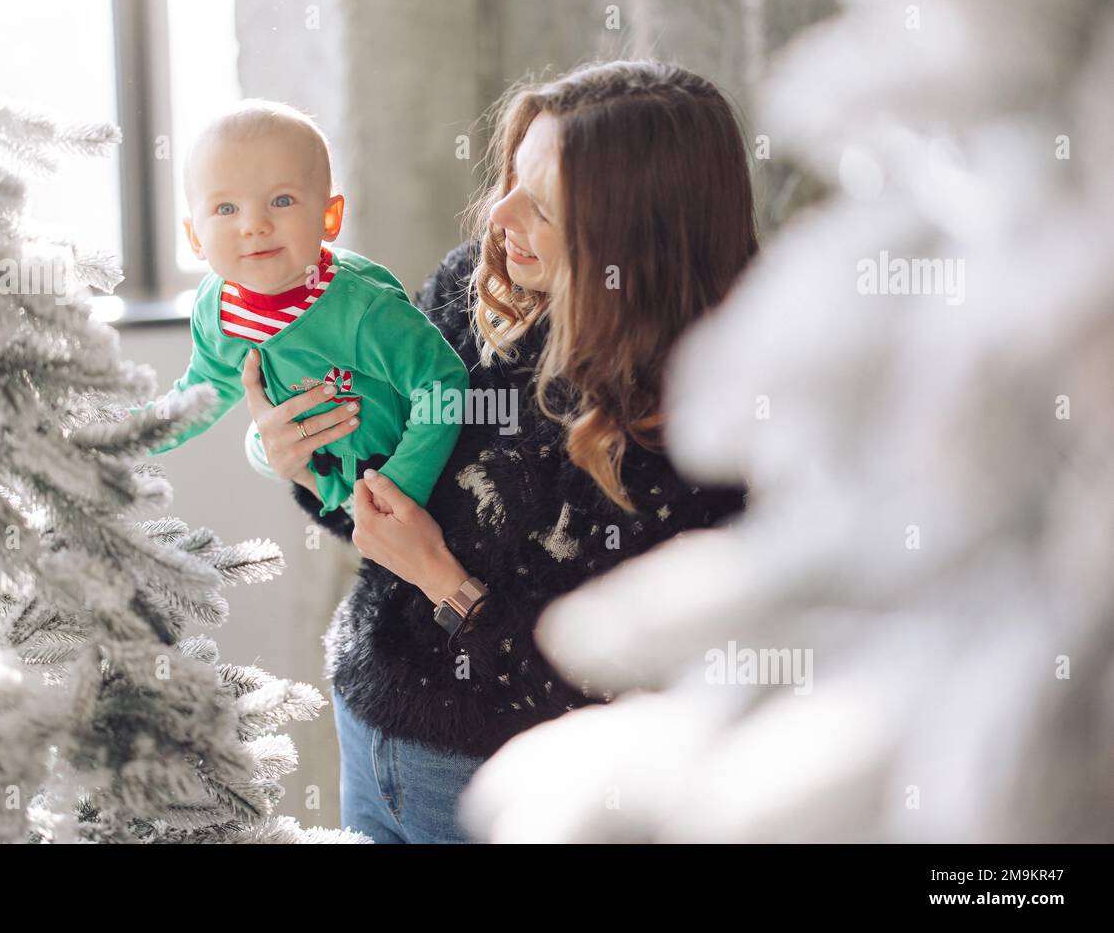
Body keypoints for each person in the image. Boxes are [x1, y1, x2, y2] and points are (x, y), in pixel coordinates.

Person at [242, 60, 756, 843]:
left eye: (543, 205)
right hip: (368, 721)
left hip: (507, 786)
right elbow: (376, 516)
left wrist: (447, 584)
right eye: (511, 177)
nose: (501, 215)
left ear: (631, 238)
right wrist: (311, 462)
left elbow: (631, 694)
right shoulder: (470, 295)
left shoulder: (709, 424)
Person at [149, 99, 468, 517]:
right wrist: (124, 433)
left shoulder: (362, 309)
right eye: (226, 208)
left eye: (281, 200)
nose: (253, 225)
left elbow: (442, 382)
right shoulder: (216, 308)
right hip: (333, 489)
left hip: (424, 485)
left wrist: (401, 485)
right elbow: (201, 394)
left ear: (329, 216)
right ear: (195, 237)